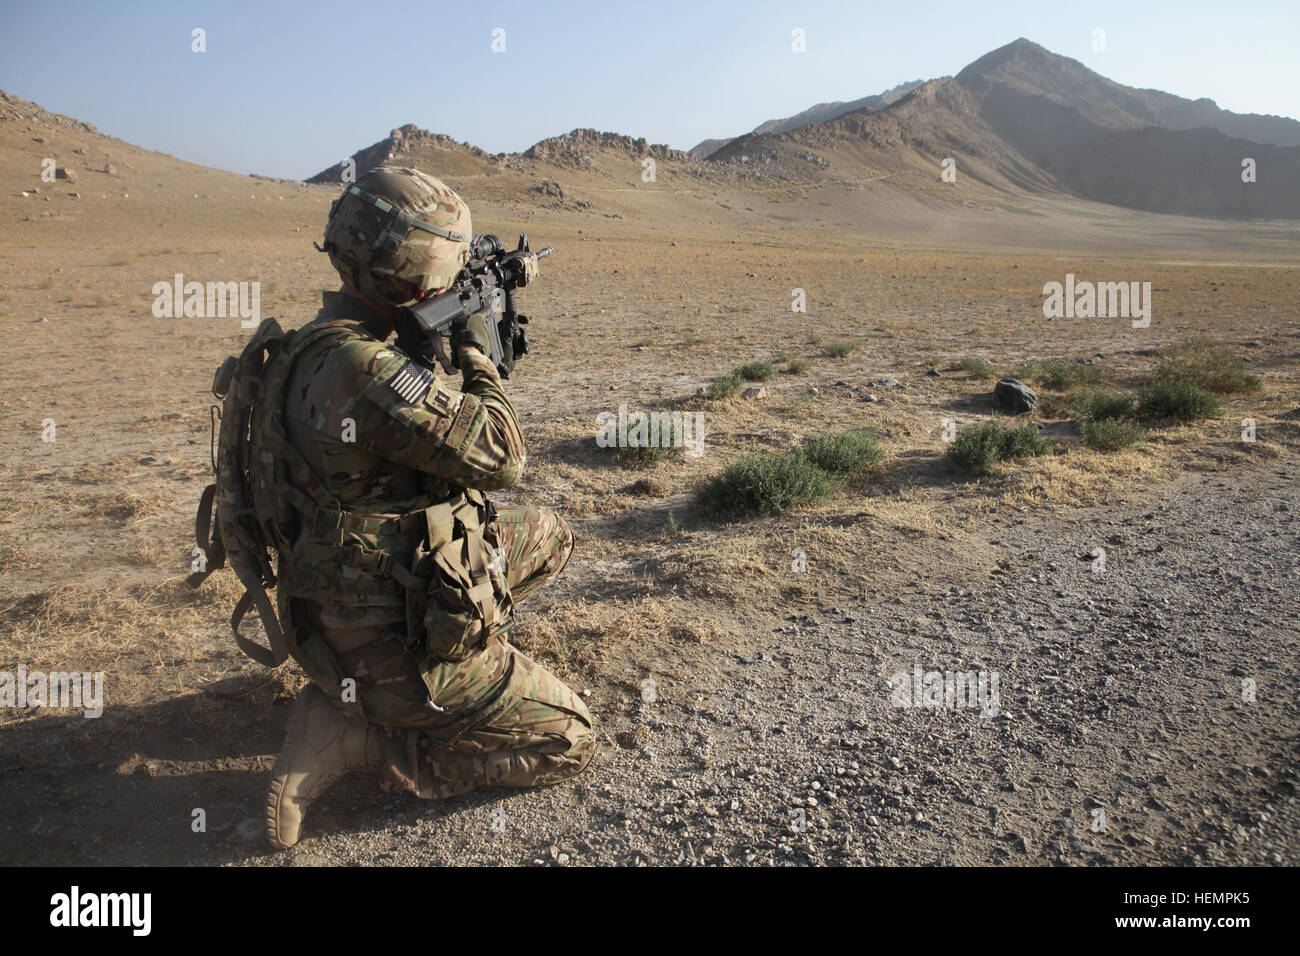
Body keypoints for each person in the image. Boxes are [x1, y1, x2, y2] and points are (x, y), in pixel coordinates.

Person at [258, 165, 594, 849]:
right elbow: (503, 456)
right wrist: (477, 348)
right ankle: (366, 735)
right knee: (571, 740)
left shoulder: (303, 348)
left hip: (320, 612)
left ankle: (462, 639)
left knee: (549, 535)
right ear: (415, 275)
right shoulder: (367, 371)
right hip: (378, 638)